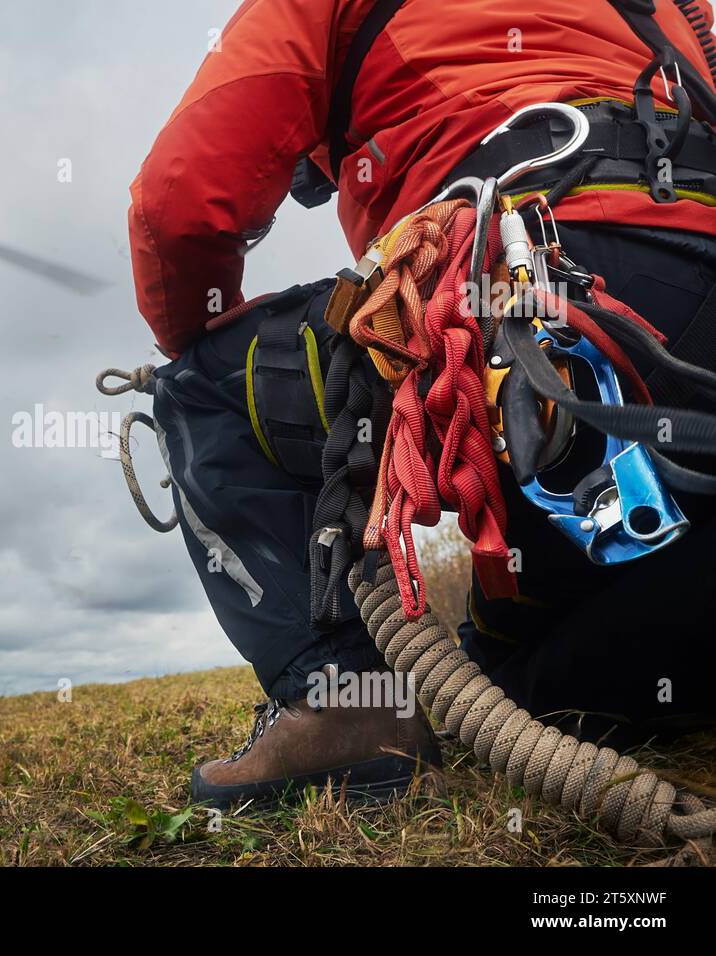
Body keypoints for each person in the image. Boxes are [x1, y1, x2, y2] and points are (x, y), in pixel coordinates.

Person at [127, 0, 716, 807]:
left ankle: (344, 712)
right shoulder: (668, 14)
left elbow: (180, 206)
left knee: (202, 387)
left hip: (521, 286)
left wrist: (193, 345)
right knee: (510, 672)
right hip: (690, 295)